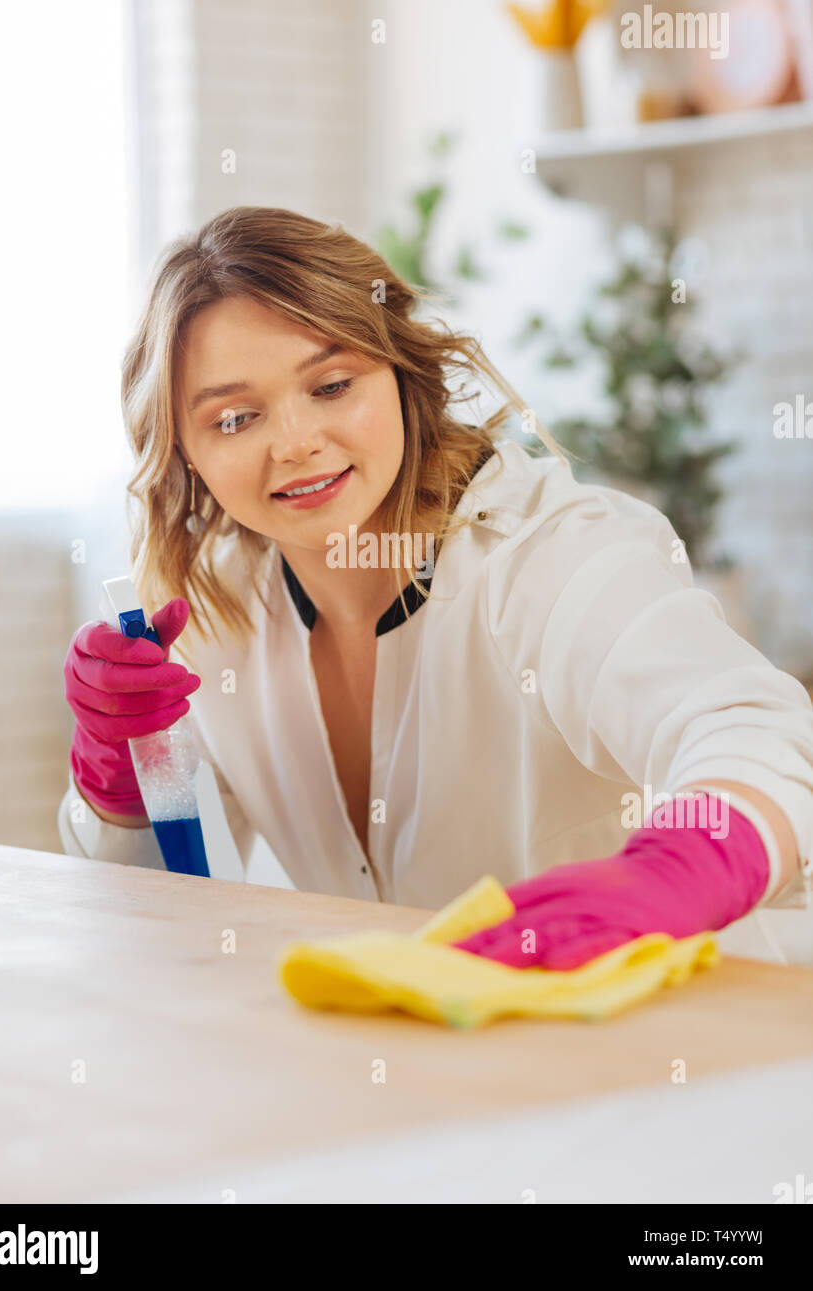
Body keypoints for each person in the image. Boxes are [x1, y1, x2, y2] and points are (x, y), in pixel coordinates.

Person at [60, 206, 813, 970]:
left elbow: (754, 730)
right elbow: (153, 918)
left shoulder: (547, 553)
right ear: (183, 450)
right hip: (414, 1051)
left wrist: (673, 878)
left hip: (646, 1039)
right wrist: (122, 783)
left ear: (399, 372)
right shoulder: (213, 612)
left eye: (331, 384)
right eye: (235, 418)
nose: (294, 443)